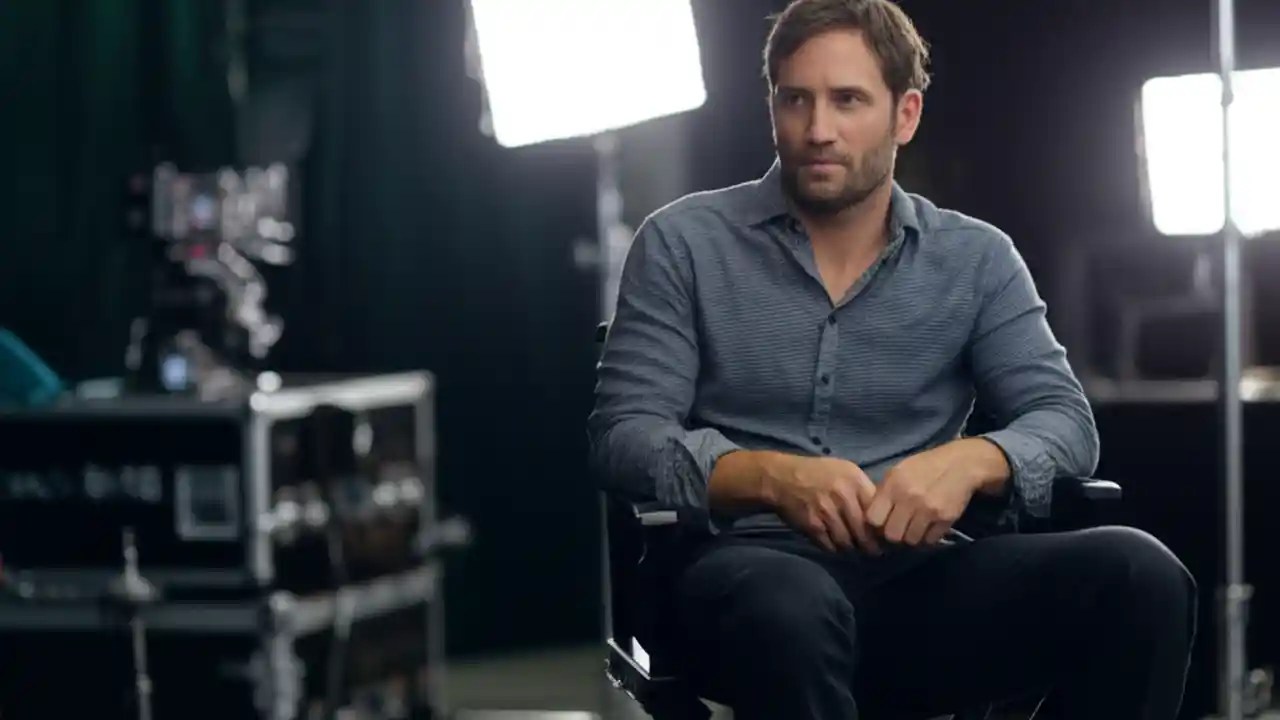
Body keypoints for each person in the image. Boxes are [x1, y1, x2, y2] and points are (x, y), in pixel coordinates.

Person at [587, 0, 1196, 717]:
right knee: (790, 607)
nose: (818, 130)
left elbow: (1066, 423)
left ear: (905, 115)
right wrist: (770, 478)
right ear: (771, 105)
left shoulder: (976, 258)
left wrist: (973, 461)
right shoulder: (682, 243)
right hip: (745, 576)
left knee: (1142, 575)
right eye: (795, 100)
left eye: (848, 101)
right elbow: (622, 437)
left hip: (923, 581)